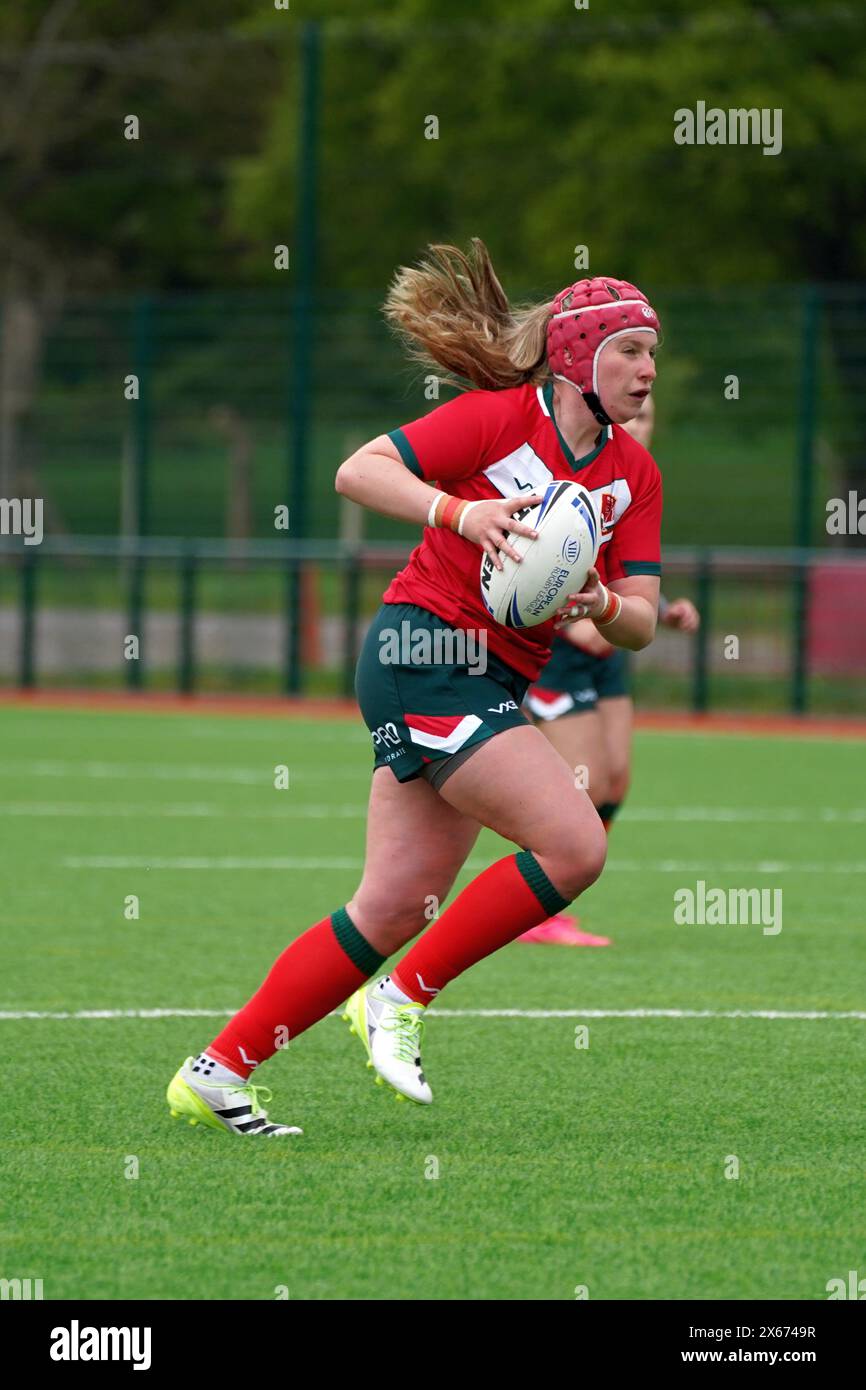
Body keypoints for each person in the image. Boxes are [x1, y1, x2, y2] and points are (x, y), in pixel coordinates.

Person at [166, 242, 663, 1135]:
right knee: (576, 846)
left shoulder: (633, 476)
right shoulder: (498, 418)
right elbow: (357, 471)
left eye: (652, 352)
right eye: (629, 348)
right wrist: (460, 511)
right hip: (424, 650)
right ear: (579, 355)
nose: (647, 368)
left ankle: (218, 1072)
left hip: (493, 679)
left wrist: (601, 599)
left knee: (394, 903)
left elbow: (644, 619)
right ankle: (399, 996)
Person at [517, 395, 700, 946]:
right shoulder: (577, 475)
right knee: (583, 785)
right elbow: (548, 574)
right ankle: (539, 913)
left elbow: (625, 581)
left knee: (615, 780)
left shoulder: (637, 482)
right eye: (632, 414)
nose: (638, 423)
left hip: (605, 656)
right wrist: (579, 617)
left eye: (647, 415)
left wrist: (661, 613)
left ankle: (557, 904)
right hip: (559, 658)